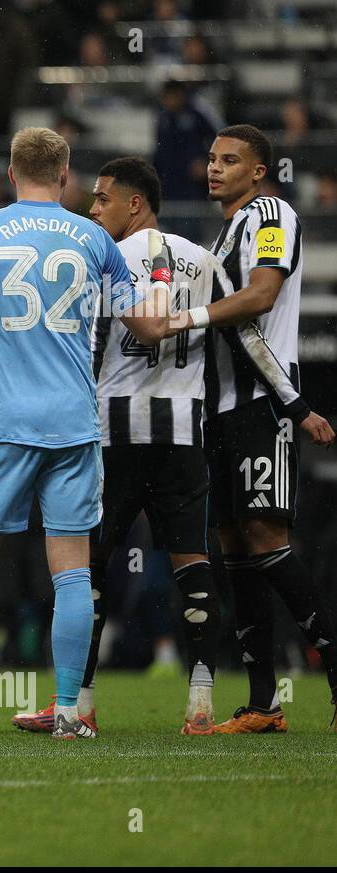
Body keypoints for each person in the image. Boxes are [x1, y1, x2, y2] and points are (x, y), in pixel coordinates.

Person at [0, 127, 171, 741]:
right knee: (71, 571)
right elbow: (149, 330)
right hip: (77, 426)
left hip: (6, 425)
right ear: (67, 173)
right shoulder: (97, 239)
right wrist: (157, 277)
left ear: (11, 173)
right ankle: (70, 712)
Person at [13, 156, 233, 736]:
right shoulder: (205, 260)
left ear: (135, 204)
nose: (92, 209)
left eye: (103, 199)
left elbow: (89, 347)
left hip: (114, 431)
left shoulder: (103, 256)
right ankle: (201, 704)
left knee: (90, 567)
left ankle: (78, 703)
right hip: (184, 431)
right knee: (192, 560)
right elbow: (231, 341)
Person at [166, 124, 337, 732]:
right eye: (212, 158)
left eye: (230, 160)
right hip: (224, 411)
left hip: (264, 405)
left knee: (267, 540)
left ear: (259, 171)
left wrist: (186, 315)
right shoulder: (225, 231)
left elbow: (262, 296)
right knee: (237, 549)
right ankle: (263, 701)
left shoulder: (270, 214)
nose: (215, 168)